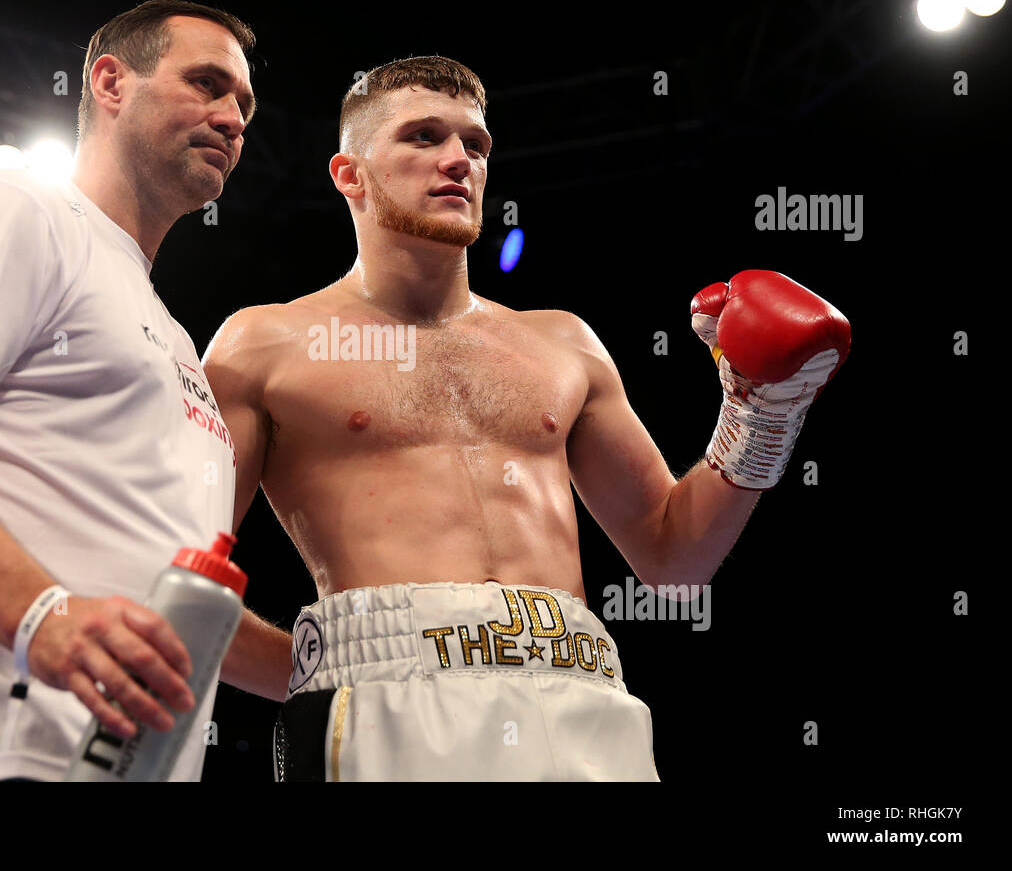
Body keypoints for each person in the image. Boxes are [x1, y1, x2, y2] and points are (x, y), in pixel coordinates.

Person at [201, 56, 850, 780]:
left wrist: (758, 418)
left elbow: (675, 561)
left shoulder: (563, 340)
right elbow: (176, 580)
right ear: (350, 175)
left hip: (586, 692)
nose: (457, 161)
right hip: (387, 696)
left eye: (475, 145)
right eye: (423, 137)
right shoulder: (265, 343)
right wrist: (323, 669)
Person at [0, 0, 291, 781]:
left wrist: (341, 680)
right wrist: (37, 614)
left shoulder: (174, 340)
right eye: (207, 84)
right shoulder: (15, 210)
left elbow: (171, 610)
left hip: (125, 764)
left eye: (244, 104)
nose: (233, 117)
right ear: (110, 83)